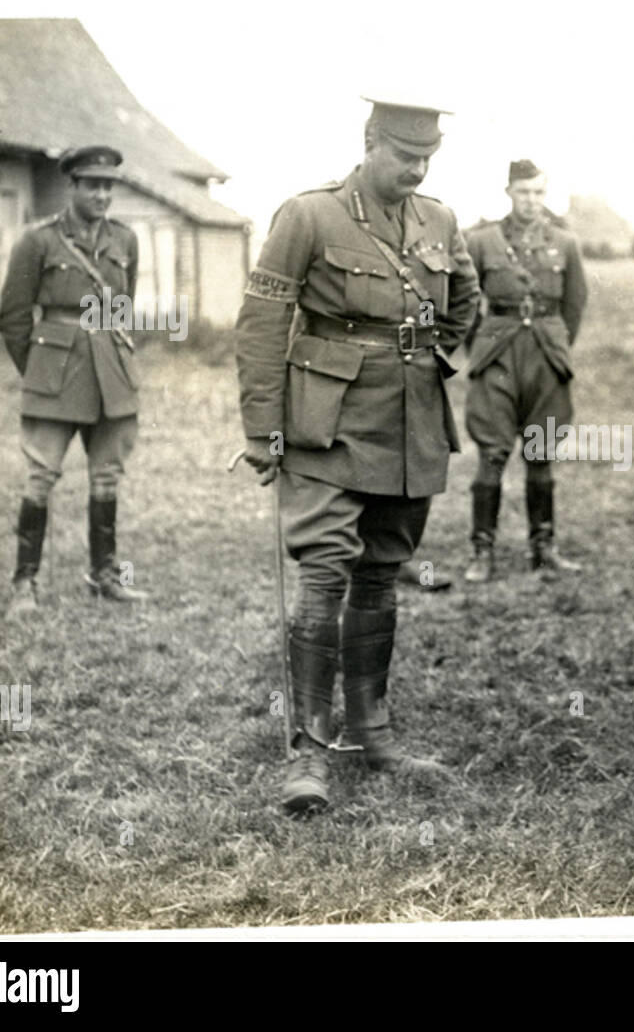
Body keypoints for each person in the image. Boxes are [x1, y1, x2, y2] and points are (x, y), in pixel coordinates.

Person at [235, 97, 480, 812]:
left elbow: (465, 298)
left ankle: (371, 728)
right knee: (323, 575)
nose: (417, 168)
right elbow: (262, 322)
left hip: (409, 421)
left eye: (427, 157)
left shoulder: (439, 219)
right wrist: (262, 427)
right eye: (405, 155)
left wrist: (432, 352)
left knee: (381, 575)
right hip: (327, 421)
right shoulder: (307, 216)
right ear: (370, 142)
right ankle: (308, 749)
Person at [0, 145, 147, 616]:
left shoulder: (126, 241)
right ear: (72, 186)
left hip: (112, 374)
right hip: (55, 373)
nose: (102, 194)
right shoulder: (37, 241)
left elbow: (122, 308)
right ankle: (25, 583)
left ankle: (105, 575)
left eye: (109, 186)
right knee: (41, 476)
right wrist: (41, 370)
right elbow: (12, 317)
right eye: (92, 185)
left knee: (107, 477)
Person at [462, 160, 588, 582]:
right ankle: (482, 552)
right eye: (523, 192)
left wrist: (555, 345)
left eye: (538, 192)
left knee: (541, 454)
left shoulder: (565, 243)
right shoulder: (480, 242)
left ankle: (544, 549)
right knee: (492, 454)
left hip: (547, 355)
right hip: (496, 354)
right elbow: (464, 304)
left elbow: (574, 304)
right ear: (509, 192)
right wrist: (480, 346)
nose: (531, 201)